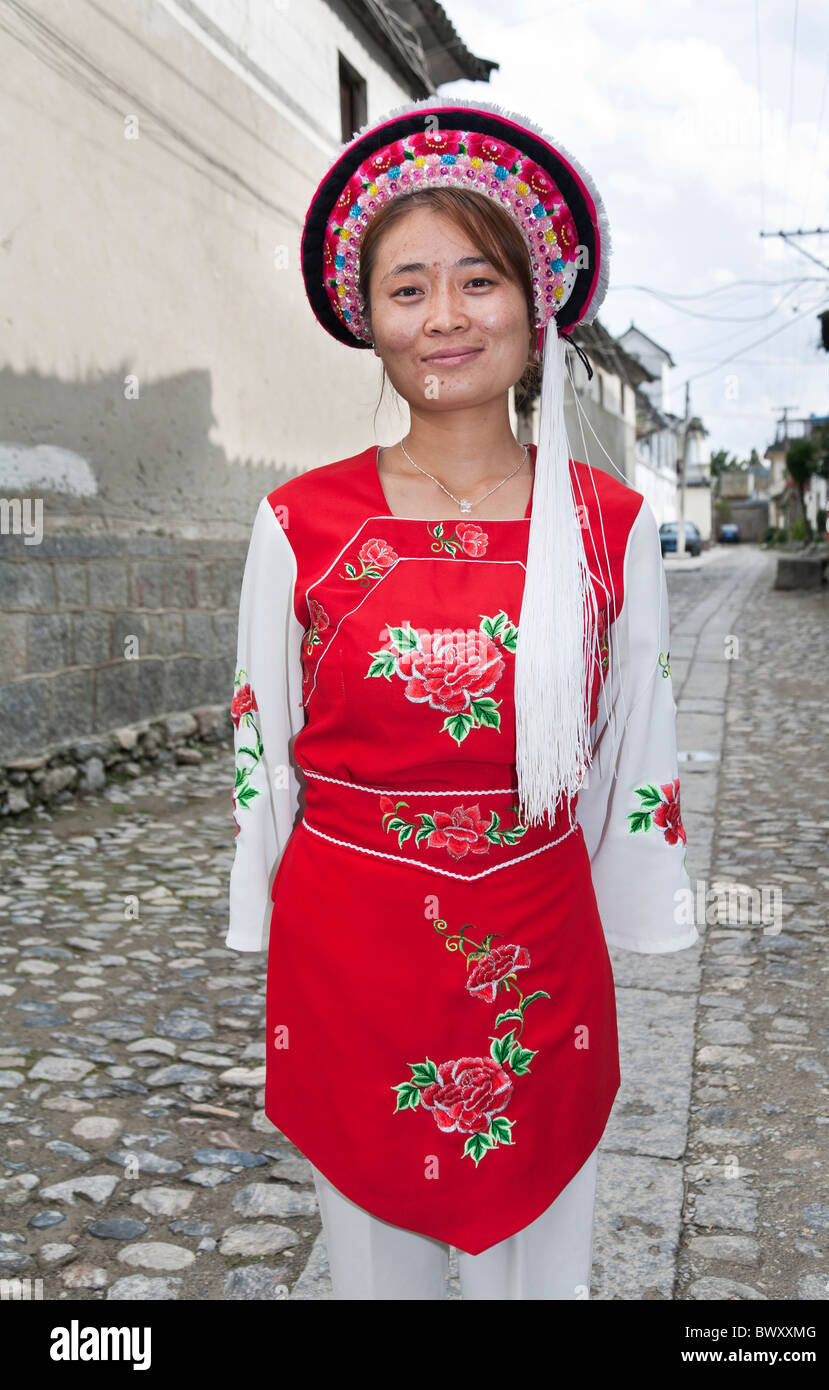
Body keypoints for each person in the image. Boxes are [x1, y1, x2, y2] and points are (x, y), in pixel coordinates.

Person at [226, 97, 698, 1300]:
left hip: (531, 949)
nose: (444, 318)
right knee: (376, 1264)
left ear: (535, 311)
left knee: (533, 1262)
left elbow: (631, 739)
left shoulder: (609, 525)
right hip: (349, 946)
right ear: (367, 319)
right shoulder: (300, 526)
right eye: (407, 288)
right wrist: (265, 911)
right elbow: (263, 747)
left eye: (477, 280)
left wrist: (622, 901)